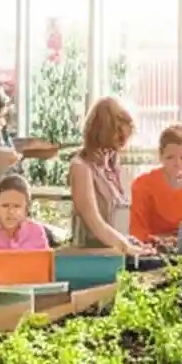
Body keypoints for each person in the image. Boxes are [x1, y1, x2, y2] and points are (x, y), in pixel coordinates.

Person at [69, 96, 143, 255]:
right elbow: (94, 223)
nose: (121, 144)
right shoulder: (81, 167)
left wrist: (128, 240)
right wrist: (126, 246)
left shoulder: (113, 163)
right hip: (92, 255)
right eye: (118, 137)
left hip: (116, 250)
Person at [0, 174, 58, 259]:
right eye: (5, 206)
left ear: (26, 209)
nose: (11, 211)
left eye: (17, 206)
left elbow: (45, 264)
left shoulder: (37, 231)